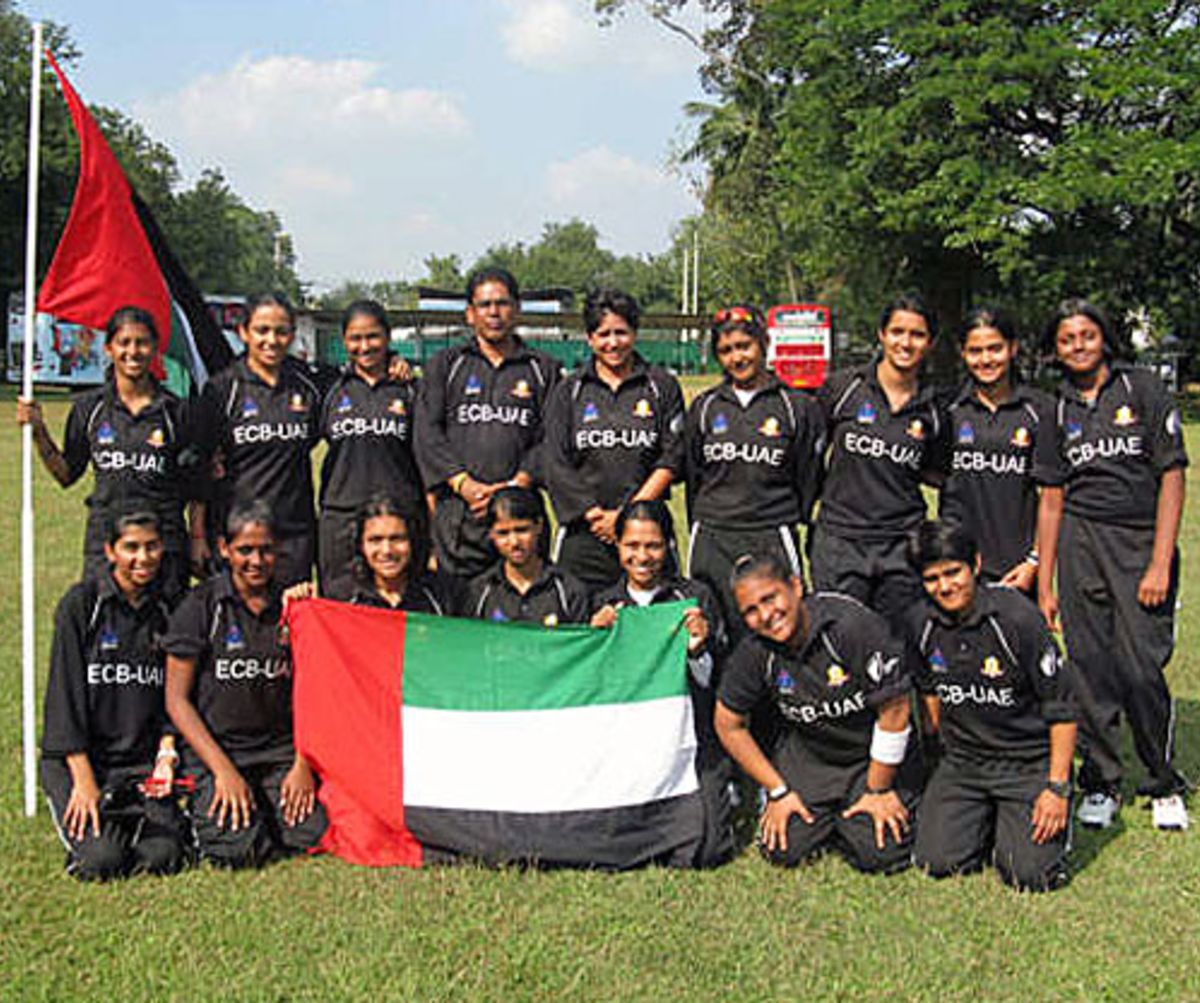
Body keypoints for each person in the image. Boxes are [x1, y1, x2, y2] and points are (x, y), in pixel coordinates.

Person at [1035, 298, 1189, 831]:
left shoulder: (1142, 388)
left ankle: (1163, 778)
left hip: (1140, 540)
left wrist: (1160, 562)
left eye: (1087, 335)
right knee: (1090, 667)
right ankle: (1101, 778)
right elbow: (1051, 500)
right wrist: (1047, 583)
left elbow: (1172, 476)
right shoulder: (1056, 408)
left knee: (1141, 666)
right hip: (1081, 543)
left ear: (1105, 338)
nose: (1077, 345)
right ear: (1055, 349)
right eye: (1066, 339)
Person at [715, 554, 919, 873]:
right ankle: (833, 819)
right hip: (812, 760)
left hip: (869, 757)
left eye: (770, 598)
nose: (766, 616)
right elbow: (728, 724)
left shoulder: (850, 625)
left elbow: (895, 709)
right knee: (783, 849)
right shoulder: (755, 652)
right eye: (751, 611)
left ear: (795, 586)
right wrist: (777, 791)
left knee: (882, 853)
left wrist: (878, 789)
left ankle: (855, 814)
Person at [907, 521, 1076, 892]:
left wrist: (1056, 788)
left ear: (976, 565)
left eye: (953, 572)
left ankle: (1028, 826)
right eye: (932, 578)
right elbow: (928, 691)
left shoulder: (1017, 619)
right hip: (965, 762)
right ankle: (985, 821)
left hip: (1026, 763)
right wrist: (938, 757)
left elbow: (1062, 706)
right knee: (935, 862)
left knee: (1027, 875)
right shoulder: (919, 622)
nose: (945, 586)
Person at [163, 502, 327, 868]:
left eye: (266, 549)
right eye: (245, 550)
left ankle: (264, 803)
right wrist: (223, 771)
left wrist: (302, 764)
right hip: (220, 751)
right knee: (240, 851)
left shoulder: (293, 605)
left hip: (278, 753)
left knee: (315, 834)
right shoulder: (202, 605)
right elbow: (176, 701)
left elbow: (314, 691)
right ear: (224, 548)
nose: (256, 560)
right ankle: (199, 809)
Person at [40, 510, 187, 880]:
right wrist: (84, 781)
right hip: (83, 762)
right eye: (131, 547)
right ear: (110, 551)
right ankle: (104, 826)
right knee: (101, 862)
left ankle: (126, 816)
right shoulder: (82, 605)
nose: (143, 557)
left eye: (152, 546)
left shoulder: (167, 609)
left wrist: (165, 756)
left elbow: (173, 696)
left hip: (140, 763)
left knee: (161, 857)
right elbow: (64, 697)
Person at [17, 306, 201, 594]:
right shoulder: (89, 409)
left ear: (154, 348)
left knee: (167, 636)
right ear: (108, 349)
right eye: (124, 342)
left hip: (163, 547)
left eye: (142, 342)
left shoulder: (177, 412)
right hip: (106, 545)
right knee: (106, 632)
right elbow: (66, 474)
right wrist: (39, 433)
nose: (133, 351)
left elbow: (196, 487)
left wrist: (198, 539)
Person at [590, 500, 733, 866]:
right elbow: (590, 689)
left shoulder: (694, 598)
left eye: (653, 545)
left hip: (689, 736)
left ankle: (721, 788)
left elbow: (714, 683)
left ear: (669, 544)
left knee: (707, 850)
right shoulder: (602, 605)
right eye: (632, 546)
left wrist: (698, 650)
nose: (643, 556)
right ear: (617, 546)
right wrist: (593, 642)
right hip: (624, 741)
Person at [685, 305, 825, 639]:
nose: (737, 358)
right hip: (712, 535)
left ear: (764, 343)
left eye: (744, 346)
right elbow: (693, 475)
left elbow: (808, 476)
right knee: (709, 629)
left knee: (777, 628)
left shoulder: (797, 407)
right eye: (726, 351)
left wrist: (782, 513)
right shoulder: (705, 407)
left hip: (771, 532)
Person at [811, 293, 948, 631]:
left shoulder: (936, 407)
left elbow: (936, 472)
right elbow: (811, 456)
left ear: (930, 343)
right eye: (897, 331)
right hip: (840, 541)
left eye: (917, 334)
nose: (906, 342)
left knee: (897, 649)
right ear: (882, 334)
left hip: (901, 546)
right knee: (839, 645)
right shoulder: (842, 389)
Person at [414, 268, 560, 579]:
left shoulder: (543, 369)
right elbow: (427, 434)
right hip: (461, 518)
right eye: (484, 305)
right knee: (459, 617)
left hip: (520, 518)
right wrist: (463, 484)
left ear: (517, 310)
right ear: (470, 314)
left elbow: (551, 438)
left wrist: (515, 485)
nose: (494, 312)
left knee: (523, 611)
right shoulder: (446, 365)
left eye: (503, 303)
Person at [544, 288, 685, 589]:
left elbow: (671, 457)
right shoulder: (569, 390)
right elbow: (556, 461)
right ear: (589, 337)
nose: (612, 343)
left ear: (635, 333)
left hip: (646, 531)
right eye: (603, 334)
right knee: (582, 623)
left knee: (653, 620)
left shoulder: (662, 385)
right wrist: (594, 515)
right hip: (585, 532)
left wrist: (627, 518)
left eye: (620, 332)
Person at [191, 293, 321, 587]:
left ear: (291, 335)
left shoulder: (309, 387)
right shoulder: (222, 389)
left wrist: (393, 361)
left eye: (281, 331)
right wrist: (197, 536)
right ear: (243, 332)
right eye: (262, 330)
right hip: (238, 535)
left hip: (293, 536)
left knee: (288, 628)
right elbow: (200, 469)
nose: (271, 340)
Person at [940, 307, 1057, 592]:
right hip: (958, 566)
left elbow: (1052, 497)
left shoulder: (1041, 409)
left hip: (1018, 569)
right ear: (962, 353)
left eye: (995, 349)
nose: (986, 360)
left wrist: (1034, 561)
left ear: (1012, 348)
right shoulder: (947, 408)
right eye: (975, 351)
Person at [316, 300, 423, 587]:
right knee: (342, 608)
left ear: (387, 337)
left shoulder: (410, 389)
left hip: (397, 520)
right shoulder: (330, 389)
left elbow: (427, 457)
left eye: (373, 336)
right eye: (355, 338)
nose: (364, 346)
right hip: (341, 518)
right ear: (344, 341)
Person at [292, 494, 456, 614]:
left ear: (413, 541)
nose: (387, 550)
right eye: (375, 540)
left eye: (397, 539)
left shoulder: (440, 595)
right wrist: (299, 606)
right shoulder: (341, 599)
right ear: (361, 545)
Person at [464, 486, 589, 626]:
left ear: (539, 526)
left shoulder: (568, 590)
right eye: (503, 533)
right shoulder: (480, 591)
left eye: (522, 530)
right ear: (491, 534)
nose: (514, 542)